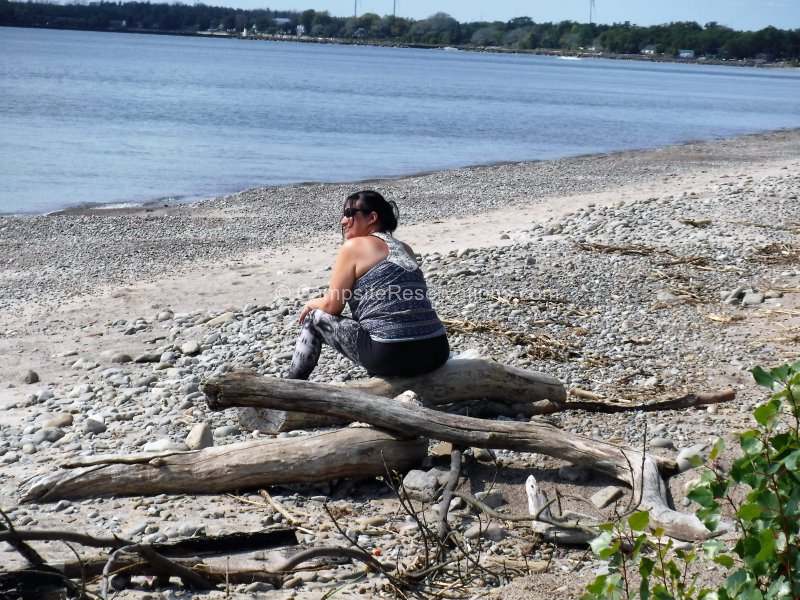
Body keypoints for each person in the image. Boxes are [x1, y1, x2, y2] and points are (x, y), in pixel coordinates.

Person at [287, 190, 449, 380]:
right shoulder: (406, 248)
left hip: (390, 353)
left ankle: (289, 388)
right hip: (437, 351)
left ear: (372, 217)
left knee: (315, 318)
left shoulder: (353, 247)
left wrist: (312, 303)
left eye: (349, 214)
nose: (343, 221)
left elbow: (333, 305)